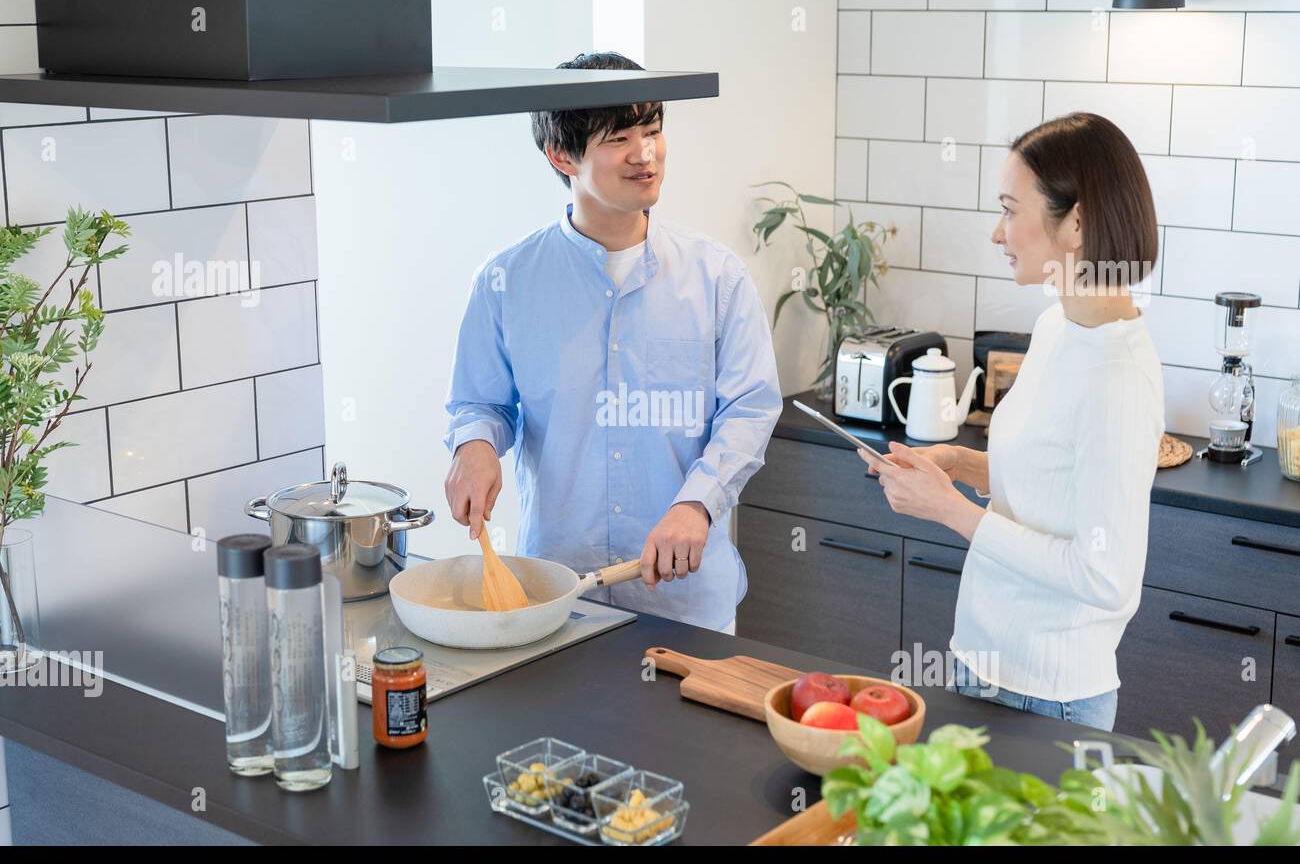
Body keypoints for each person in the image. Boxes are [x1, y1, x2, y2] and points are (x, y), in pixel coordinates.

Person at [443, 52, 782, 633]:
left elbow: (749, 408)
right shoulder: (505, 282)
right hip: (557, 593)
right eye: (619, 136)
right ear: (561, 156)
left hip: (686, 598)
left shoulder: (717, 277)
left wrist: (696, 501)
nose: (645, 152)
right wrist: (473, 444)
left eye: (652, 129)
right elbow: (481, 404)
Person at [863, 112, 1164, 731]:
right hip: (980, 662)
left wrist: (950, 508)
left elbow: (1104, 577)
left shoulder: (1118, 376)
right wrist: (960, 465)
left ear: (1076, 220)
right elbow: (1048, 480)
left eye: (1009, 209)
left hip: (1047, 697)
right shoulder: (1059, 325)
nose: (997, 235)